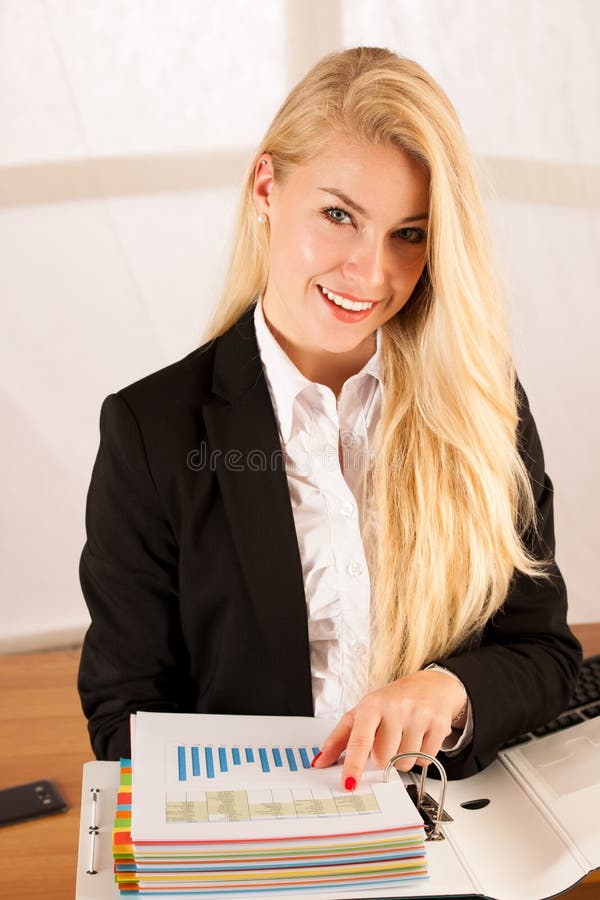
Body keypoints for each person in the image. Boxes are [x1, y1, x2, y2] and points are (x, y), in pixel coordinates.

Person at [78, 46, 581, 786]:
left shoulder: (484, 404)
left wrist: (450, 689)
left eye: (409, 233)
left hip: (448, 821)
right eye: (339, 215)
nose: (371, 273)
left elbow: (545, 653)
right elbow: (125, 710)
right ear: (267, 187)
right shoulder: (152, 431)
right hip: (254, 832)